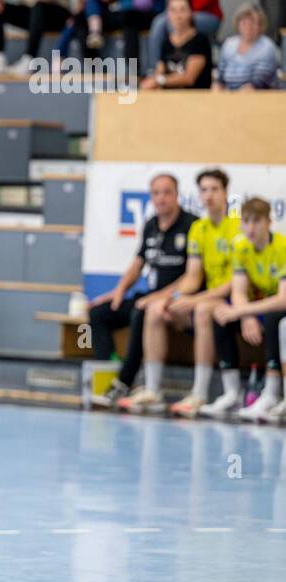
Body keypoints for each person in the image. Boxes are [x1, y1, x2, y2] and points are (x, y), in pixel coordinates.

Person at [89, 173, 197, 409]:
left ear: (177, 195)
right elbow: (138, 264)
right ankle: (108, 371)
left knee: (142, 311)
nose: (161, 198)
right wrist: (117, 292)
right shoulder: (150, 225)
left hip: (175, 300)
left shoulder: (191, 225)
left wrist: (158, 297)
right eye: (156, 193)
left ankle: (125, 381)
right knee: (98, 313)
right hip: (149, 296)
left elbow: (192, 276)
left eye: (167, 192)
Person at [165, 169, 241, 416]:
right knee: (159, 310)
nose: (209, 195)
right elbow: (193, 276)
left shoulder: (237, 227)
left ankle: (199, 392)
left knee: (201, 310)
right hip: (211, 294)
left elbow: (235, 283)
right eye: (204, 190)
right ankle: (152, 388)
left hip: (236, 295)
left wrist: (195, 299)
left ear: (226, 193)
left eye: (214, 189)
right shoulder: (198, 229)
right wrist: (174, 298)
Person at [204, 197, 286, 420]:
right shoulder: (240, 246)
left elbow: (282, 299)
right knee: (221, 315)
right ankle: (231, 392)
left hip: (279, 306)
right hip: (260, 305)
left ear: (268, 222)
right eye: (246, 221)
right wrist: (246, 316)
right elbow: (238, 291)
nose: (250, 227)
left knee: (272, 320)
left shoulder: (281, 246)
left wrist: (240, 311)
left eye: (256, 221)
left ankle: (270, 394)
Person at [139, 0, 212, 90]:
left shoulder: (200, 40)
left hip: (195, 98)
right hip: (169, 98)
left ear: (191, 13)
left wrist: (159, 80)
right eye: (173, 10)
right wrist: (151, 82)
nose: (178, 15)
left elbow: (189, 78)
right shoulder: (166, 42)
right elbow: (160, 70)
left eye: (182, 10)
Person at [214, 2, 280, 90]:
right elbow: (220, 78)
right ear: (238, 23)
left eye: (253, 23)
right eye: (244, 22)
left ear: (260, 26)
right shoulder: (229, 44)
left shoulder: (267, 46)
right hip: (231, 96)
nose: (248, 26)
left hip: (258, 97)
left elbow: (257, 82)